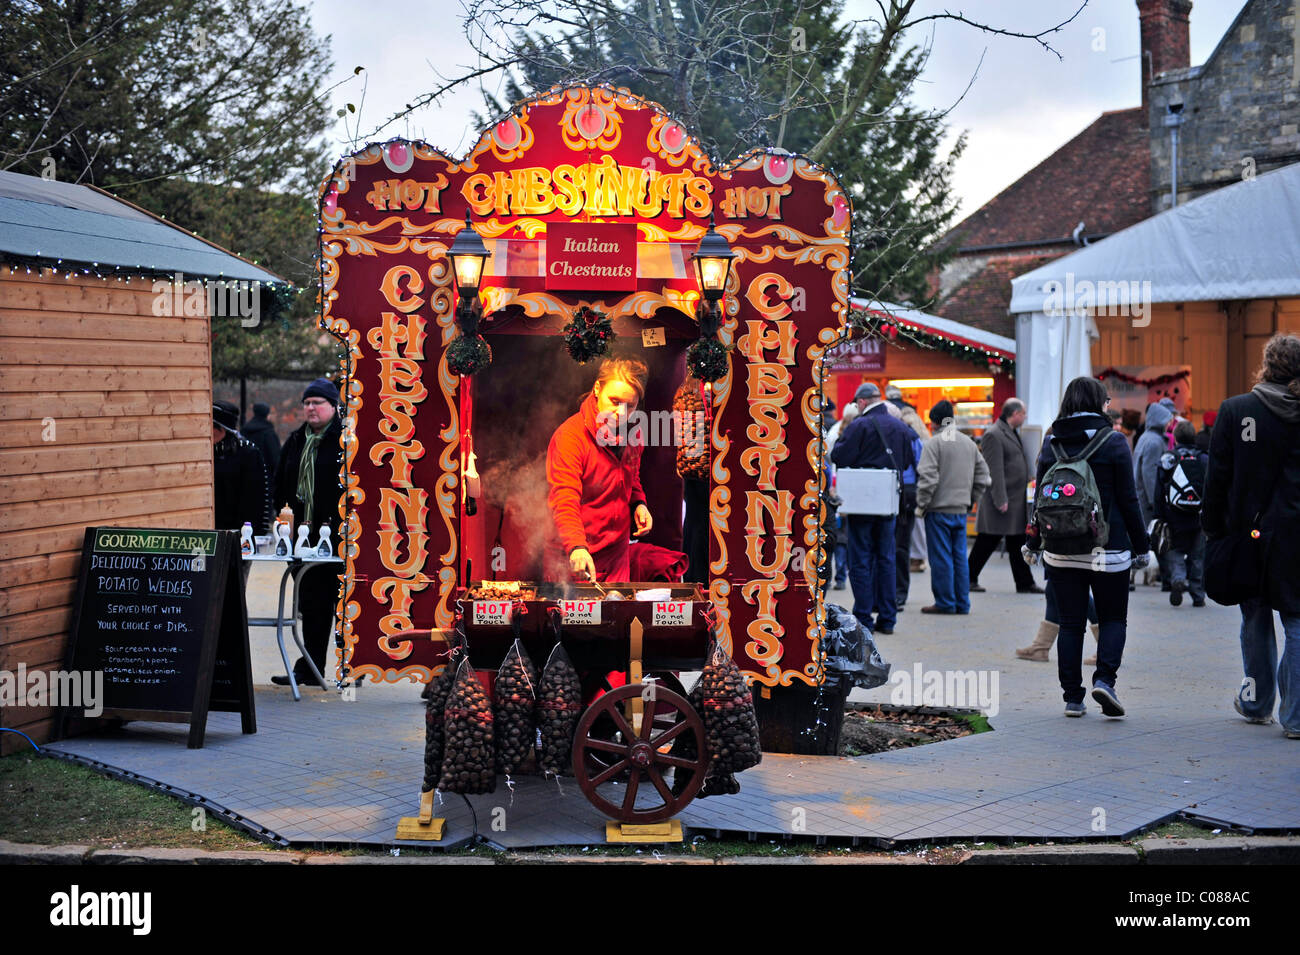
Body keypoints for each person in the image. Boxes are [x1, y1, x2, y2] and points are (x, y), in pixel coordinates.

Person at [1027, 376, 1149, 717]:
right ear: (1100, 403)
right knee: (1113, 619)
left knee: (1070, 624)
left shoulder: (1052, 443)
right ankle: (1105, 681)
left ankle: (1072, 698)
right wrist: (1141, 546)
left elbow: (1039, 498)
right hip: (1108, 551)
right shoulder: (1114, 443)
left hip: (1061, 550)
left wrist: (1032, 542)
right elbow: (1129, 499)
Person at [1201, 333, 1300, 739]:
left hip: (1249, 532)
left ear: (1267, 365)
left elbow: (1217, 478)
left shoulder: (1236, 410)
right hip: (1297, 536)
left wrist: (1212, 528)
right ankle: (1295, 717)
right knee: (1296, 619)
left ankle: (1258, 703)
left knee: (1255, 616)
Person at [547, 358, 652, 582]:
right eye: (614, 401)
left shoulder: (635, 434)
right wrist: (576, 545)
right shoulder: (570, 437)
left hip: (616, 555)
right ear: (597, 389)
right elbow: (564, 497)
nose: (620, 412)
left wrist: (639, 503)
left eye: (629, 406)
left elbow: (632, 478)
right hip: (574, 555)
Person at [271, 378, 345, 687]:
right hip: (301, 536)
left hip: (339, 537)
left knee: (342, 607)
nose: (311, 408)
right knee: (312, 605)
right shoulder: (296, 440)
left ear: (333, 407)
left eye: (317, 403)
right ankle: (310, 670)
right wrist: (282, 525)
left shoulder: (344, 440)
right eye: (307, 403)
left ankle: (350, 670)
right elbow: (280, 482)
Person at [830, 382, 915, 634]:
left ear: (863, 401)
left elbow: (838, 456)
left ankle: (864, 617)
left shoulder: (859, 425)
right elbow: (908, 461)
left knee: (860, 560)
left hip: (861, 502)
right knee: (886, 559)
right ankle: (888, 619)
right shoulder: (900, 427)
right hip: (888, 502)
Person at [915, 399, 990, 615]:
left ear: (934, 422)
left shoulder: (934, 444)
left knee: (941, 558)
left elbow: (928, 478)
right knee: (959, 558)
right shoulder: (968, 443)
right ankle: (962, 602)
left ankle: (945, 602)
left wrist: (922, 505)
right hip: (960, 509)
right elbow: (983, 476)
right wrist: (971, 499)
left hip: (938, 510)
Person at [969, 397, 1041, 594]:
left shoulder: (1009, 432)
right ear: (1015, 414)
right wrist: (1000, 499)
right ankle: (968, 577)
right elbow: (995, 470)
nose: (1025, 417)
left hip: (1014, 500)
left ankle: (1024, 582)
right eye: (1023, 413)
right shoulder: (994, 434)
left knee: (1016, 541)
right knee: (987, 541)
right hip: (1002, 500)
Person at [1156, 420, 1209, 607]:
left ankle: (1178, 579)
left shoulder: (1169, 458)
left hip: (1174, 515)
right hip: (1198, 515)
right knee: (1197, 555)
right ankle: (1198, 595)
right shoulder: (1203, 458)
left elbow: (1159, 487)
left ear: (1175, 438)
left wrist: (1159, 514)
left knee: (1176, 550)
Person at [886, 385, 926, 610]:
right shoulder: (912, 435)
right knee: (902, 544)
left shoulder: (894, 434)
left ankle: (893, 592)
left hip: (894, 491)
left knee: (891, 544)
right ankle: (899, 593)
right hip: (908, 491)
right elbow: (921, 464)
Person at [1133, 399, 1175, 588]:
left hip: (1141, 497)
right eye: (1167, 419)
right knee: (1159, 538)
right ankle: (1168, 579)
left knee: (1146, 538)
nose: (1169, 423)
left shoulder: (1145, 438)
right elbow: (1149, 473)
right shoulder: (1155, 442)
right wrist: (1155, 501)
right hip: (1148, 499)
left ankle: (1165, 578)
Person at [212, 399, 271, 534]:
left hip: (238, 532)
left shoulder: (247, 453)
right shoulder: (204, 452)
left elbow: (255, 500)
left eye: (213, 426)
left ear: (224, 429)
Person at [672, 374, 709, 583]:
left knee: (695, 523)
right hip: (703, 473)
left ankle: (695, 580)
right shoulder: (700, 393)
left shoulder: (684, 391)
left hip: (693, 470)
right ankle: (699, 581)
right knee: (700, 526)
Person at [242, 401, 281, 478]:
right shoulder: (269, 434)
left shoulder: (244, 431)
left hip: (247, 478)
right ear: (267, 415)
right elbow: (275, 460)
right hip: (266, 479)